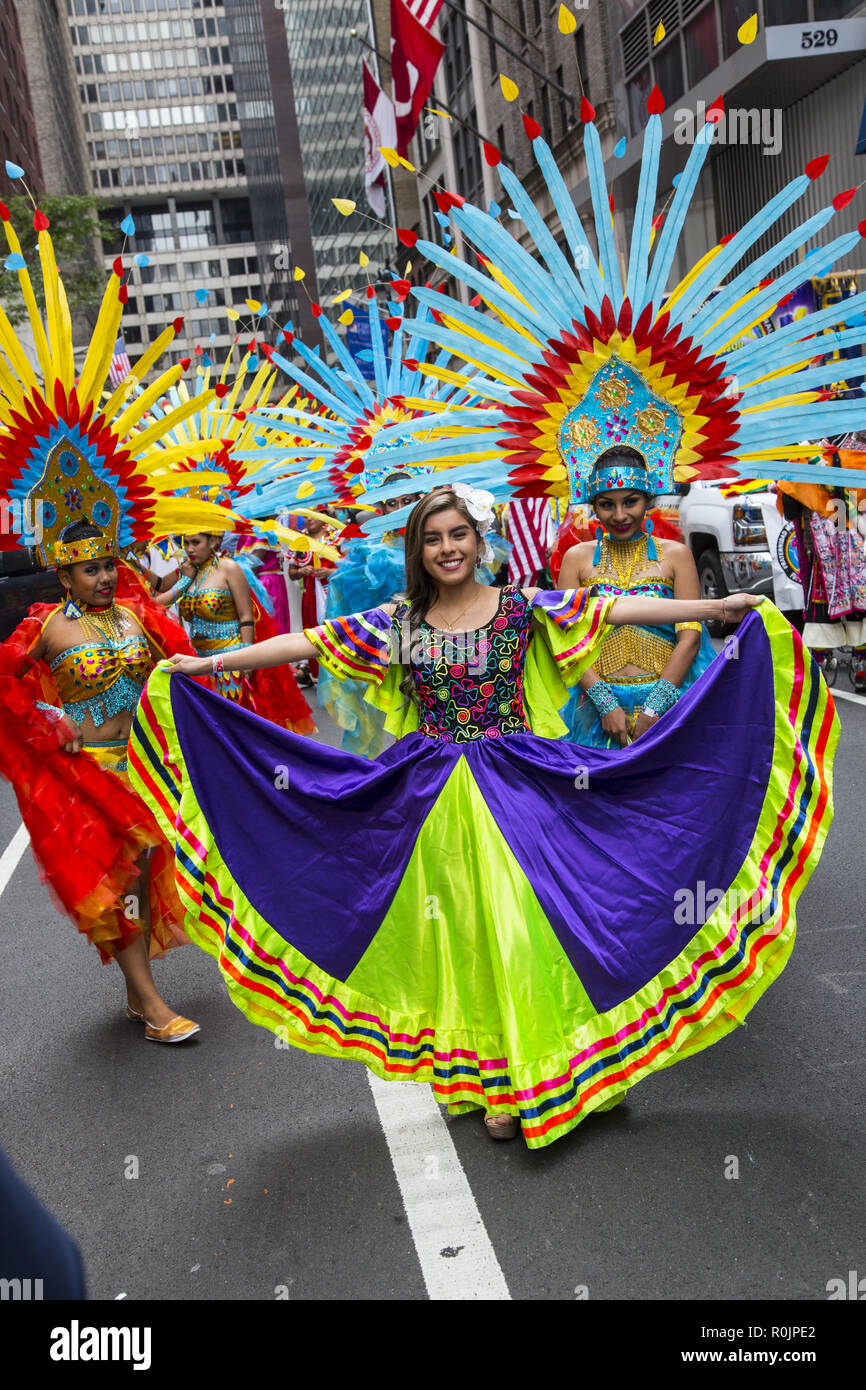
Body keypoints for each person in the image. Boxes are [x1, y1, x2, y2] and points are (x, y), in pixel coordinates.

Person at [129, 487, 835, 1148]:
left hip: (521, 788)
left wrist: (712, 612)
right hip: (432, 803)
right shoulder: (399, 622)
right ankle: (500, 1078)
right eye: (433, 539)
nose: (447, 548)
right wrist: (207, 665)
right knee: (468, 937)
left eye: (458, 534)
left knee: (531, 929)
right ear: (420, 550)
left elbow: (613, 609)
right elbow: (308, 642)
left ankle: (573, 1066)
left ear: (478, 540)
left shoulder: (522, 607)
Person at [0, 521, 200, 1041]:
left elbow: (179, 673)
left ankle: (138, 994)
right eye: (91, 570)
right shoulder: (46, 629)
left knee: (148, 874)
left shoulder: (137, 616)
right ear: (65, 576)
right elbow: (6, 680)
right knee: (120, 880)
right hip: (89, 772)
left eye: (109, 565)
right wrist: (49, 718)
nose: (106, 577)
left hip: (147, 767)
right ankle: (154, 1004)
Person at [558, 447, 715, 746]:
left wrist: (655, 709)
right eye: (607, 504)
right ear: (593, 505)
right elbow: (567, 640)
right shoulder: (575, 559)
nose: (620, 515)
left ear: (648, 500)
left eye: (631, 501)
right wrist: (605, 705)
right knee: (598, 790)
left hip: (671, 703)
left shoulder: (677, 555)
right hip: (594, 710)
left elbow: (690, 636)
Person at [155, 532, 315, 731]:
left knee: (236, 726)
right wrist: (130, 561)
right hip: (199, 663)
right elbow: (158, 591)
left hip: (231, 663)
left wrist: (246, 660)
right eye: (185, 543)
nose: (189, 549)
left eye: (195, 542)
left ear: (213, 541)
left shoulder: (228, 568)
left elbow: (246, 616)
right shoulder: (188, 570)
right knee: (211, 728)